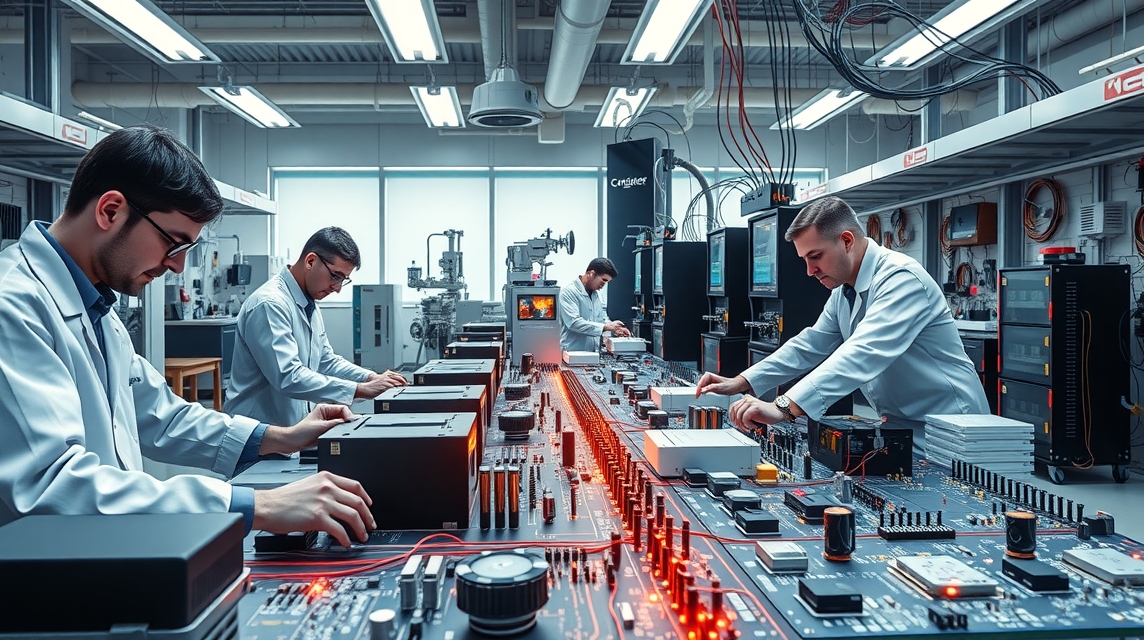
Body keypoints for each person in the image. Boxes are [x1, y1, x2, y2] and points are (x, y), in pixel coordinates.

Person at [0, 125, 373, 547]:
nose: (177, 267)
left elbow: (161, 414)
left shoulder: (97, 310)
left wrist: (279, 438)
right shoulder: (13, 307)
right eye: (174, 244)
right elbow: (52, 486)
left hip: (98, 553)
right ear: (110, 211)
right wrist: (258, 506)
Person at [697, 196, 988, 435]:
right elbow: (810, 344)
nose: (810, 271)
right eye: (805, 260)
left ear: (847, 241)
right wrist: (743, 380)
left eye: (815, 257)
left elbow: (862, 352)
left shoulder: (901, 279)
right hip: (903, 425)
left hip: (954, 426)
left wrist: (784, 407)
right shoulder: (844, 291)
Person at [225, 227, 406, 427]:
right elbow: (288, 376)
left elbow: (325, 361)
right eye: (335, 276)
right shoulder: (270, 304)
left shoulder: (307, 302)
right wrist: (359, 389)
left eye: (343, 280)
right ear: (311, 261)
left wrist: (371, 377)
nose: (337, 288)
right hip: (256, 431)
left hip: (288, 430)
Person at [558, 257, 632, 352]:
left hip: (593, 353)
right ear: (591, 274)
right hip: (573, 353)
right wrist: (607, 327)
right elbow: (574, 323)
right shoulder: (569, 292)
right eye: (603, 280)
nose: (603, 285)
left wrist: (613, 327)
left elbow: (599, 320)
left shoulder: (595, 294)